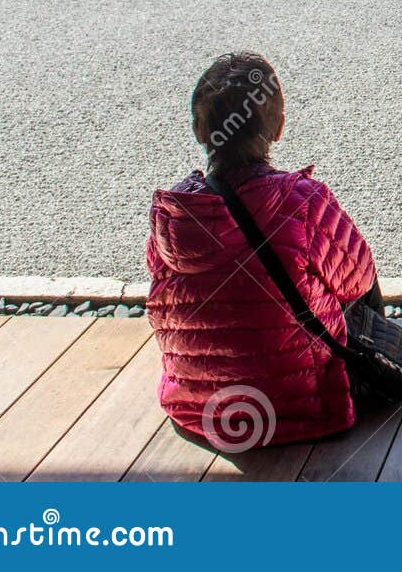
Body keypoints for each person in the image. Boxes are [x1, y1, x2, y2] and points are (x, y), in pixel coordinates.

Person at [146, 52, 381, 449]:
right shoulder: (303, 200)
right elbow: (358, 278)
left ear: (200, 133)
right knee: (359, 279)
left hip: (198, 407)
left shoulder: (173, 213)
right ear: (278, 128)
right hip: (305, 407)